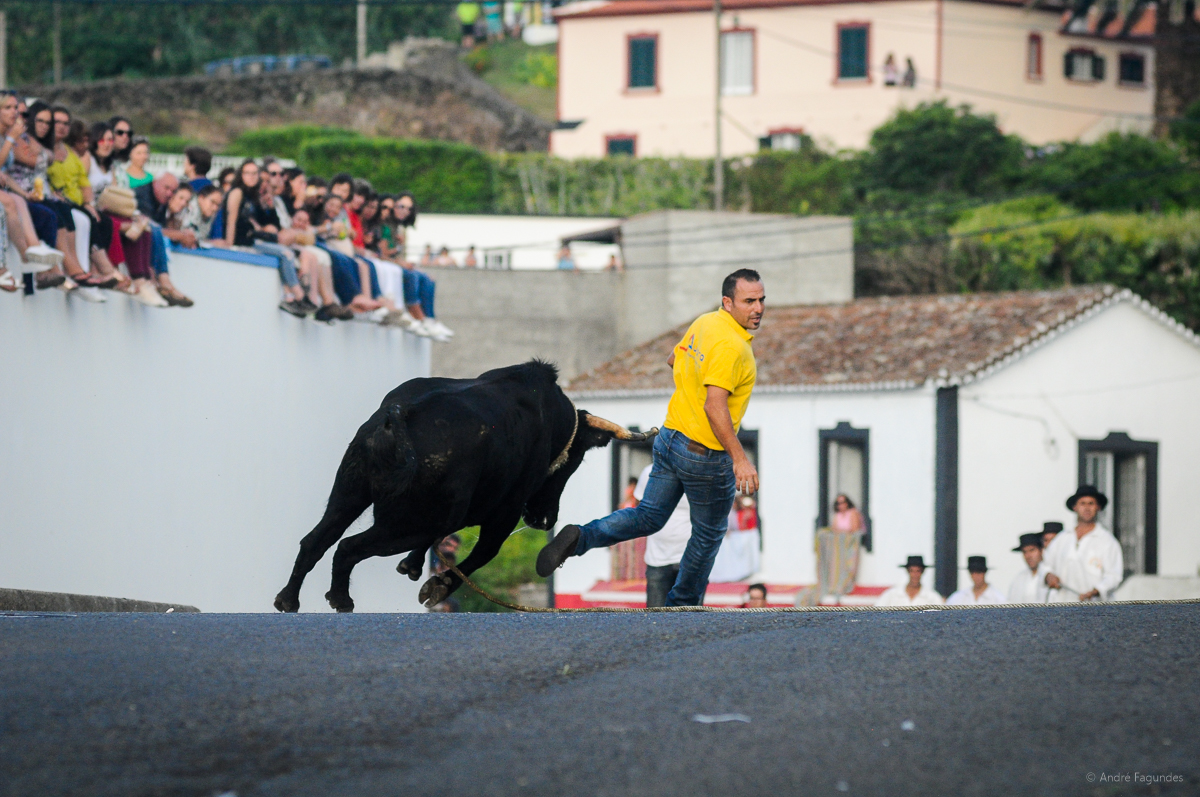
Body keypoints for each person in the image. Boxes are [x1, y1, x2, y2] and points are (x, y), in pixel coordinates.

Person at [537, 269, 765, 606]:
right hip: (705, 454)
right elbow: (715, 406)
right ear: (727, 302)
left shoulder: (704, 323)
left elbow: (675, 360)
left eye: (761, 300)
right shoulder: (734, 348)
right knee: (708, 534)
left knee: (647, 516)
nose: (758, 307)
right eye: (749, 301)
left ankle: (579, 538)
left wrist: (689, 395)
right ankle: (683, 603)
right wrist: (740, 459)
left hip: (670, 438)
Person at [1044, 485, 1123, 602]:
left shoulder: (1107, 541)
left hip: (1094, 608)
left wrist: (1096, 591)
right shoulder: (1062, 538)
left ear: (1098, 507)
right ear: (1075, 507)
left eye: (1091, 503)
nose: (1087, 508)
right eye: (1082, 503)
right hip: (1063, 606)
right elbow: (1046, 565)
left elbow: (1114, 576)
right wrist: (1049, 576)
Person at [630, 464, 692, 608]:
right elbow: (640, 507)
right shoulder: (650, 472)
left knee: (690, 622)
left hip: (691, 559)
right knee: (655, 621)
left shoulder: (699, 471)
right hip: (657, 557)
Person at [875, 556, 944, 607]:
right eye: (912, 571)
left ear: (922, 572)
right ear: (908, 571)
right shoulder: (892, 595)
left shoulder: (932, 597)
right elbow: (877, 612)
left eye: (918, 571)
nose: (915, 575)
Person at [1008, 533, 1049, 604]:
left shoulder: (1049, 573)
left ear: (1041, 550)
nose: (1028, 556)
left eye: (1032, 550)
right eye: (1025, 552)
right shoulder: (1019, 578)